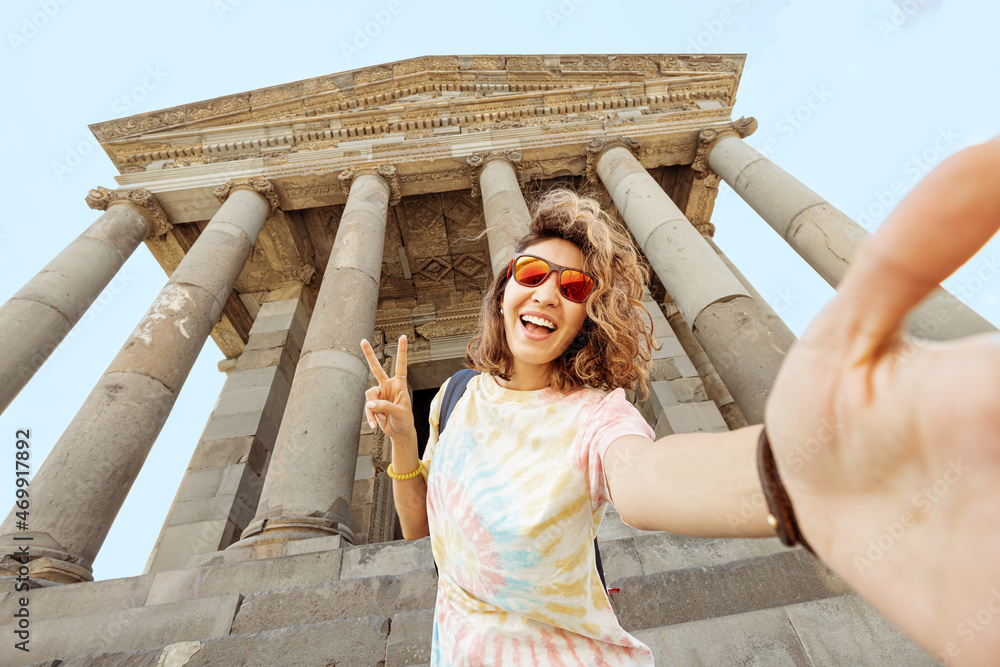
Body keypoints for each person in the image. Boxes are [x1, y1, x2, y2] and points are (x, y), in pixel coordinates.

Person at [360, 137, 1000, 666]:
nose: (548, 294)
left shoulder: (597, 416)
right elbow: (421, 532)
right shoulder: (455, 395)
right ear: (503, 290)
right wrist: (404, 441)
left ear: (588, 314)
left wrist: (784, 474)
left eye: (574, 285)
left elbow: (645, 478)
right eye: (531, 274)